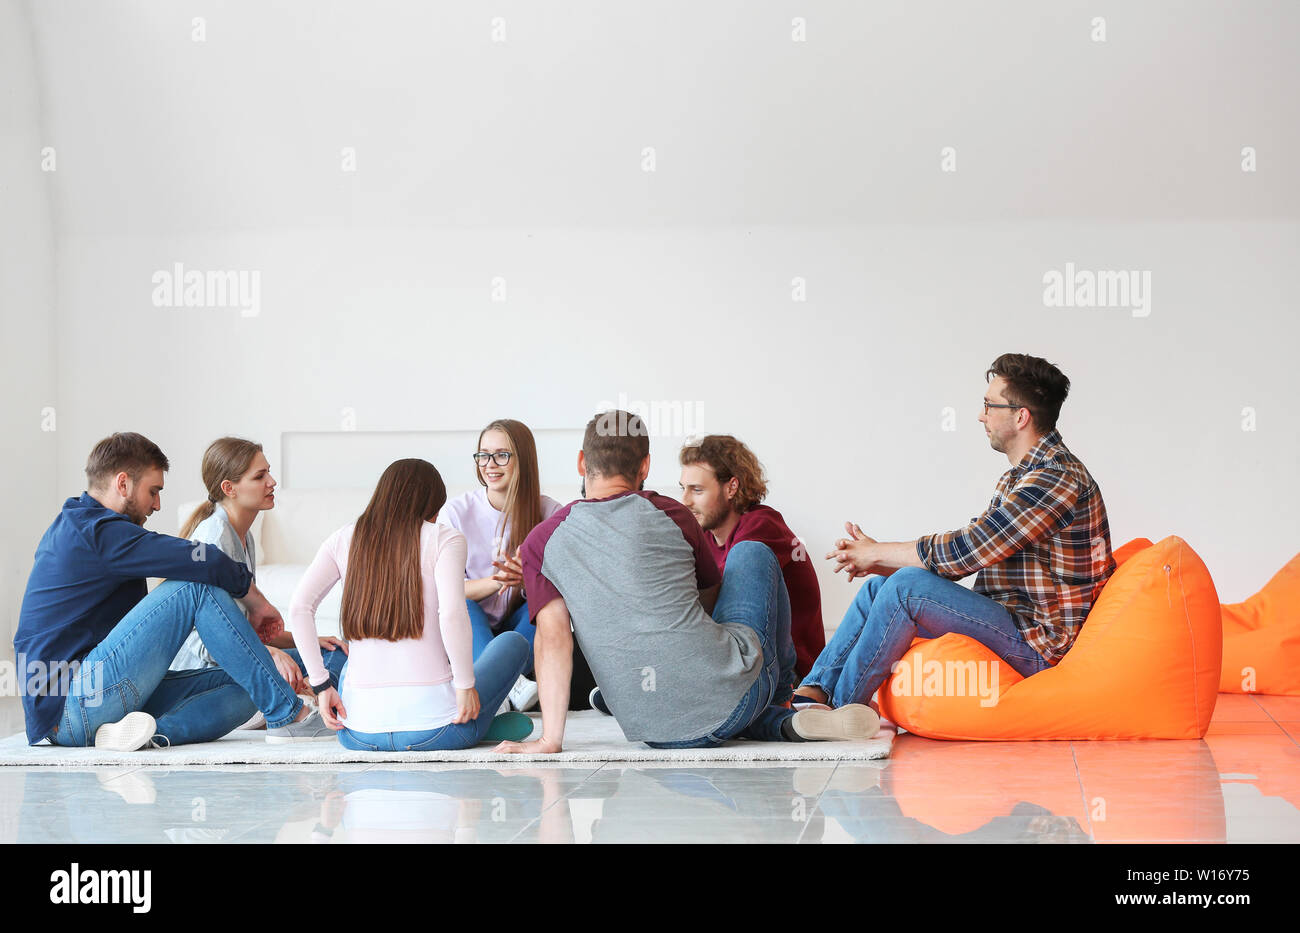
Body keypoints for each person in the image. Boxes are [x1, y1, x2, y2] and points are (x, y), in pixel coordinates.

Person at [494, 411, 880, 755]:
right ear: (645, 466)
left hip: (648, 727)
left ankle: (777, 722)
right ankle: (779, 706)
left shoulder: (540, 541)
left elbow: (553, 637)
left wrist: (551, 741)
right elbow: (709, 600)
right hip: (734, 700)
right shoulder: (672, 514)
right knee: (751, 554)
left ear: (582, 463)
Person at [793, 353, 1116, 712]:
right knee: (879, 587)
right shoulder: (1019, 476)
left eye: (988, 405)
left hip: (1040, 645)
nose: (981, 416)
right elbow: (964, 559)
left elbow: (969, 549)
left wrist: (879, 552)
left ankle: (841, 712)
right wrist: (879, 562)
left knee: (904, 588)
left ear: (1020, 416)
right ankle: (813, 693)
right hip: (1011, 622)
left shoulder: (1055, 478)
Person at [13, 432, 331, 750]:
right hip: (73, 701)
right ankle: (289, 715)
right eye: (153, 491)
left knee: (250, 687)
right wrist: (258, 603)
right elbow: (203, 559)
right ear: (122, 484)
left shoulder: (84, 526)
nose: (157, 504)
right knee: (194, 587)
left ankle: (140, 735)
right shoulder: (97, 532)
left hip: (93, 700)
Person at [294, 458, 533, 751]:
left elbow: (299, 609)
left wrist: (321, 686)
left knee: (349, 663)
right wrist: (465, 685)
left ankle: (480, 720)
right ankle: (481, 721)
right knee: (513, 642)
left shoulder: (343, 537)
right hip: (440, 733)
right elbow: (452, 612)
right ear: (432, 507)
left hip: (356, 735)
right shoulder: (445, 538)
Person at [169, 437, 349, 720]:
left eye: (269, 472)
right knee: (289, 670)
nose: (272, 482)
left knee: (334, 655)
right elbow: (202, 642)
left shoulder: (244, 537)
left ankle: (298, 699)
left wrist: (309, 641)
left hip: (242, 662)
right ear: (229, 488)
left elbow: (245, 632)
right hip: (206, 673)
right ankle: (288, 705)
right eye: (260, 476)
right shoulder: (212, 541)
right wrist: (271, 655)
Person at [437, 419, 561, 712]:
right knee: (460, 604)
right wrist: (499, 581)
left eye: (501, 455)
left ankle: (501, 686)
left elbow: (564, 585)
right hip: (472, 628)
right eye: (483, 454)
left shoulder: (550, 513)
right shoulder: (456, 513)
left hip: (516, 629)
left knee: (547, 608)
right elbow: (442, 591)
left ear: (523, 460)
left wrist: (526, 580)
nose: (489, 464)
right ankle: (512, 684)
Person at [679, 435, 826, 677]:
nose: (685, 501)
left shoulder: (763, 525)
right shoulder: (703, 536)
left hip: (790, 673)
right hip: (743, 658)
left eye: (697, 490)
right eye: (683, 488)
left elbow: (716, 601)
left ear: (731, 487)